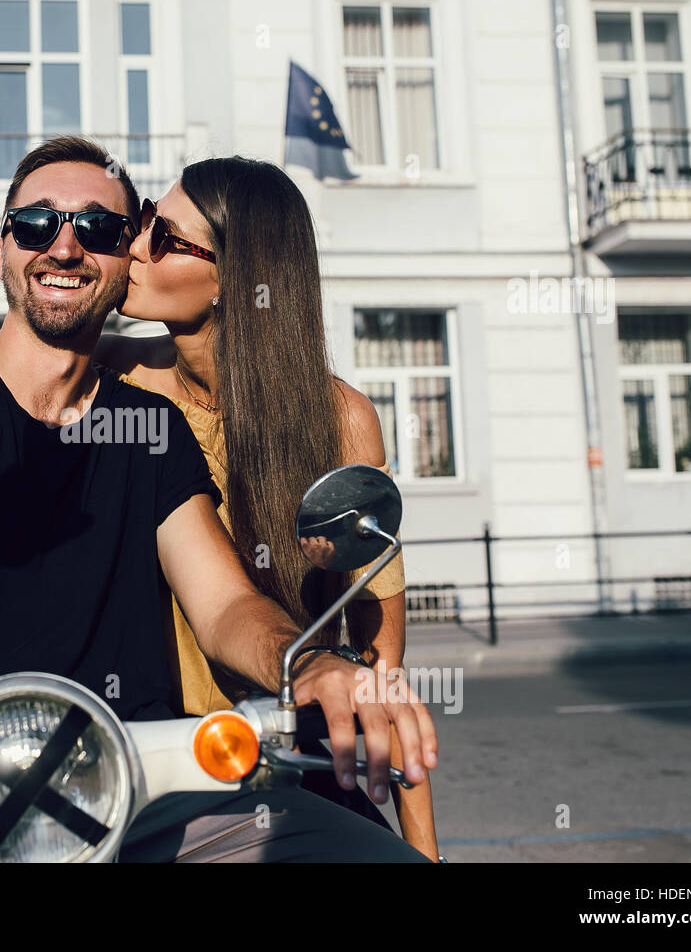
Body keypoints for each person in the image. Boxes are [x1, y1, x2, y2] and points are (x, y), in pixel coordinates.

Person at [0, 77, 437, 861]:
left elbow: (228, 605)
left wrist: (315, 665)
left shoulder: (151, 424)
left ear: (124, 261)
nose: (65, 244)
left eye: (98, 226)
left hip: (140, 797)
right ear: (2, 251)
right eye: (35, 223)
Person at [95, 157, 440, 860]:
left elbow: (379, 667)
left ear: (233, 280)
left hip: (282, 761)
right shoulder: (108, 381)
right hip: (143, 766)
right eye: (140, 223)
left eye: (162, 235)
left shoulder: (339, 420)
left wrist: (427, 852)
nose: (132, 244)